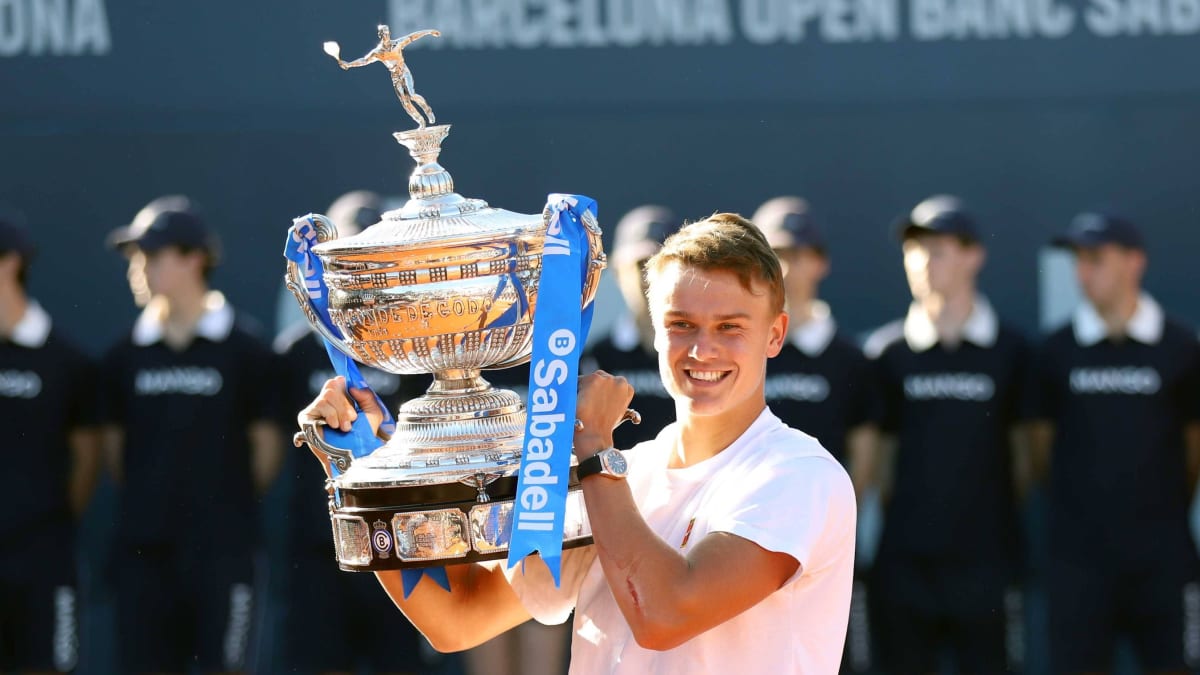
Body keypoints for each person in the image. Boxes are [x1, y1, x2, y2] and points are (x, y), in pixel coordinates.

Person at [302, 213, 857, 673]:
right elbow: (460, 617)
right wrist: (370, 475)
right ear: (655, 333)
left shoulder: (799, 474)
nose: (702, 349)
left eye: (730, 327)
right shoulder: (620, 473)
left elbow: (664, 614)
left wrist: (594, 448)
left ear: (775, 334)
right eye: (682, 324)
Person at [101, 197, 283, 674]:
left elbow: (265, 451)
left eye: (152, 257)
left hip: (224, 551)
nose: (138, 270)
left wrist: (219, 506)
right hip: (144, 552)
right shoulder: (123, 356)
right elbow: (114, 454)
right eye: (136, 259)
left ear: (194, 259)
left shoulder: (246, 351)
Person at [863, 196, 1030, 674]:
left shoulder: (1013, 351)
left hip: (990, 562)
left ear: (973, 255)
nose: (921, 262)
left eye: (937, 249)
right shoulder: (886, 352)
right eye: (913, 250)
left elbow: (1027, 458)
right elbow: (880, 462)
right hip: (905, 565)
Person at [1029, 212, 1200, 674]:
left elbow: (1192, 452)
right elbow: (1040, 452)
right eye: (1079, 261)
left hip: (1163, 560)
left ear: (1134, 262)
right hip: (1078, 564)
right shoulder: (1055, 351)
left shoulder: (1181, 348)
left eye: (1097, 259)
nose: (1084, 272)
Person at [752, 196, 880, 672]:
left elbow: (865, 456)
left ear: (819, 262)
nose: (782, 268)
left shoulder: (849, 359)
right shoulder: (737, 348)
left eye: (794, 254)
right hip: (738, 544)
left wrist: (830, 528)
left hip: (818, 553)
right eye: (771, 254)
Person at [0, 211, 98, 674]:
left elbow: (88, 459)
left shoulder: (66, 362)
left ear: (9, 263)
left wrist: (42, 518)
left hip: (43, 557)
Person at [584, 204, 680, 450]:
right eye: (640, 265)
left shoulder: (704, 352)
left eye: (659, 265)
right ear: (617, 272)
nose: (649, 277)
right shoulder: (595, 359)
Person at [329, 25, 441, 129]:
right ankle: (421, 121)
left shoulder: (397, 44)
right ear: (380, 35)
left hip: (404, 72)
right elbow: (364, 60)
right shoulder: (378, 52)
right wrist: (349, 64)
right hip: (395, 77)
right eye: (383, 34)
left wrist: (429, 32)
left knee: (411, 94)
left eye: (387, 33)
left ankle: (427, 110)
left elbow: (412, 36)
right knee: (405, 102)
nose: (386, 36)